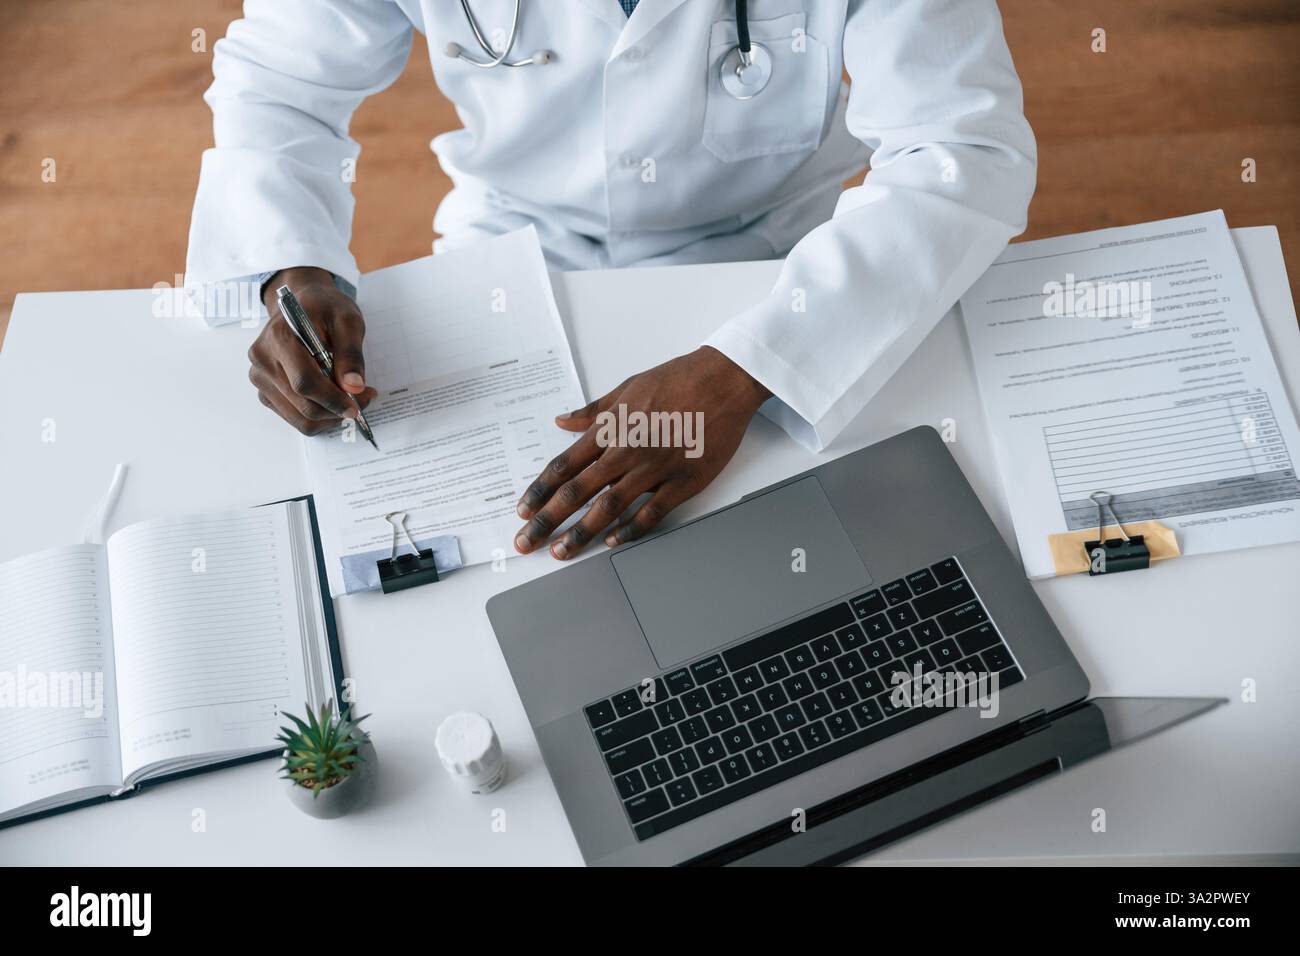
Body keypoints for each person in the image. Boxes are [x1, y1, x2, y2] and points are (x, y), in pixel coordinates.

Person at [185, 0, 1035, 560]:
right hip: (517, 240)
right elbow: (280, 83)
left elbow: (962, 150)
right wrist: (294, 264)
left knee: (787, 554)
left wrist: (752, 369)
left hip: (774, 254)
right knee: (472, 561)